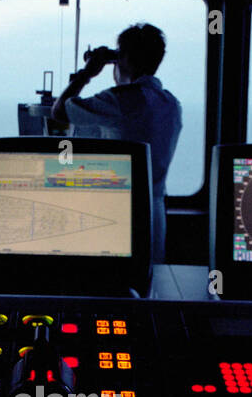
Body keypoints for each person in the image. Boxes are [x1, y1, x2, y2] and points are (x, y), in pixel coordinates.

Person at [51, 24, 182, 264]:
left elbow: (59, 110)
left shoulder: (118, 101)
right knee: (147, 289)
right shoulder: (172, 104)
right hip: (155, 215)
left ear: (126, 59)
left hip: (117, 214)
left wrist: (88, 73)